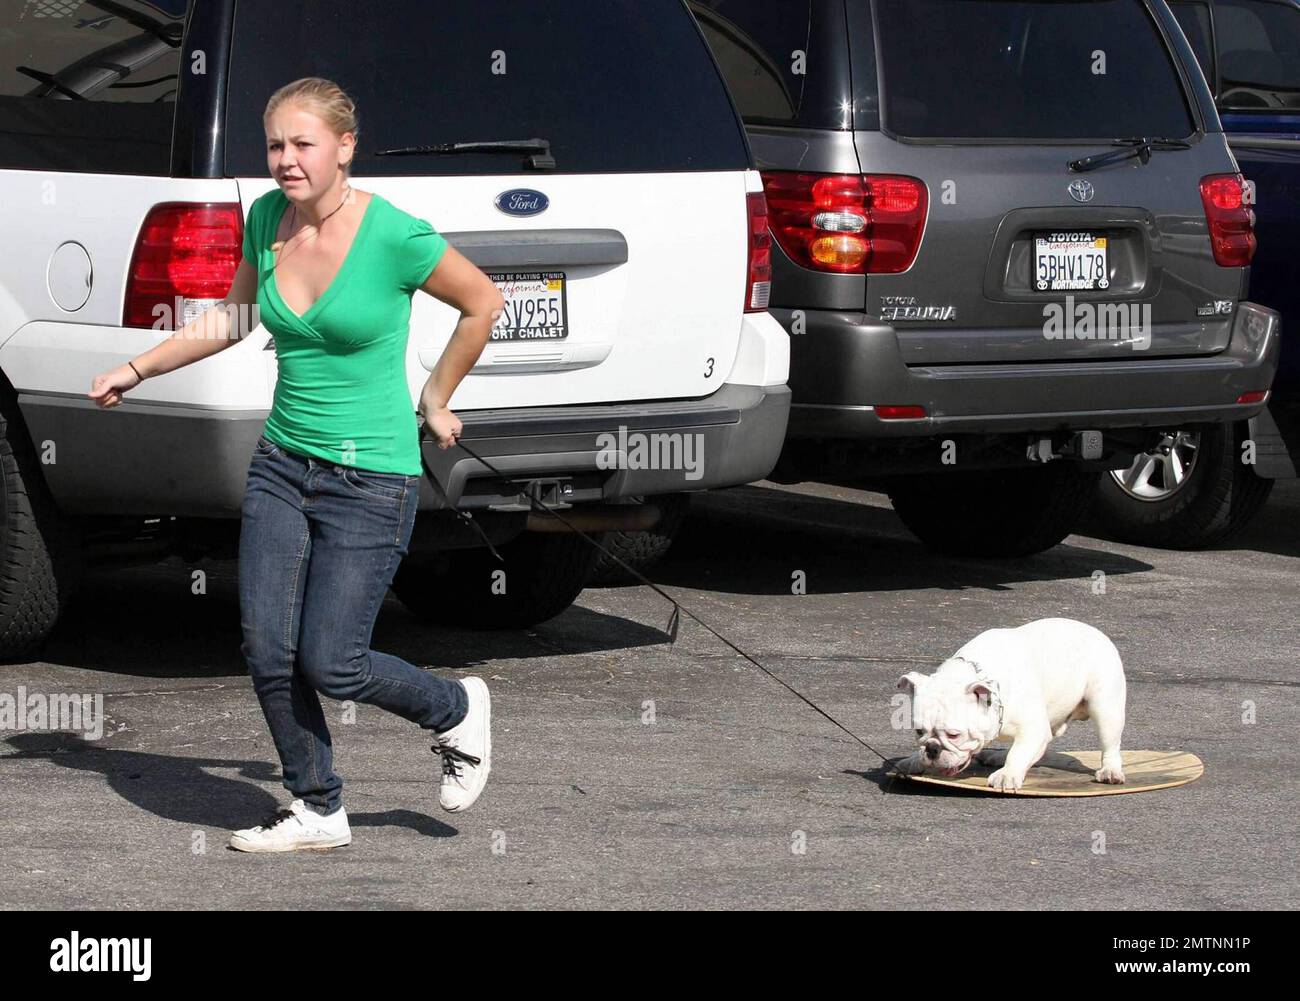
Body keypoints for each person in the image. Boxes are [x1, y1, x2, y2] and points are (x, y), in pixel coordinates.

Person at [87, 77, 505, 853]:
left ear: (346, 147)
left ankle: (453, 708)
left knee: (333, 660)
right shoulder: (266, 219)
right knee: (267, 644)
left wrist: (438, 394)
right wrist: (138, 368)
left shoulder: (394, 235)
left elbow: (483, 301)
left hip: (370, 478)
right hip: (283, 464)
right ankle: (315, 804)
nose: (285, 160)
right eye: (275, 144)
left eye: (302, 144)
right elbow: (239, 314)